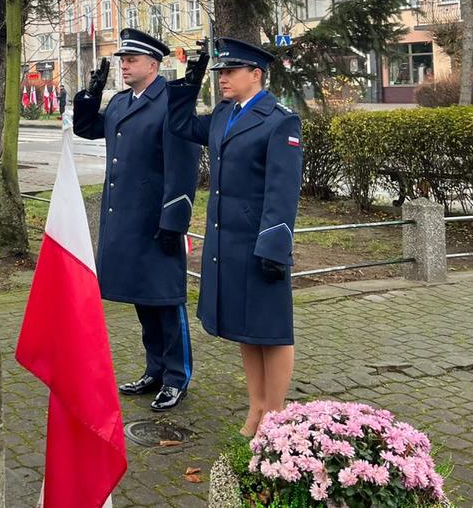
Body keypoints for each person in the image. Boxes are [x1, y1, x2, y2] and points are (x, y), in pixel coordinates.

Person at [166, 37, 303, 437]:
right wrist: (189, 78)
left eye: (230, 72)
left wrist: (275, 245)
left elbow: (282, 191)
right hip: (227, 244)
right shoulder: (225, 115)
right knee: (247, 328)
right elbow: (179, 124)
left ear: (255, 74)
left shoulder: (280, 120)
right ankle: (256, 407)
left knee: (271, 331)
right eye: (220, 72)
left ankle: (274, 417)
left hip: (260, 243)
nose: (222, 78)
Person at [73, 29, 202, 411]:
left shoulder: (170, 103)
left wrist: (174, 220)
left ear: (153, 64)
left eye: (130, 60)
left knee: (166, 300)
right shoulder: (121, 101)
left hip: (156, 221)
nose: (123, 65)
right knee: (142, 300)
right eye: (121, 60)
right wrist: (90, 94)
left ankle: (177, 377)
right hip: (124, 219)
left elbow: (182, 167)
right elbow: (88, 128)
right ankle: (155, 369)